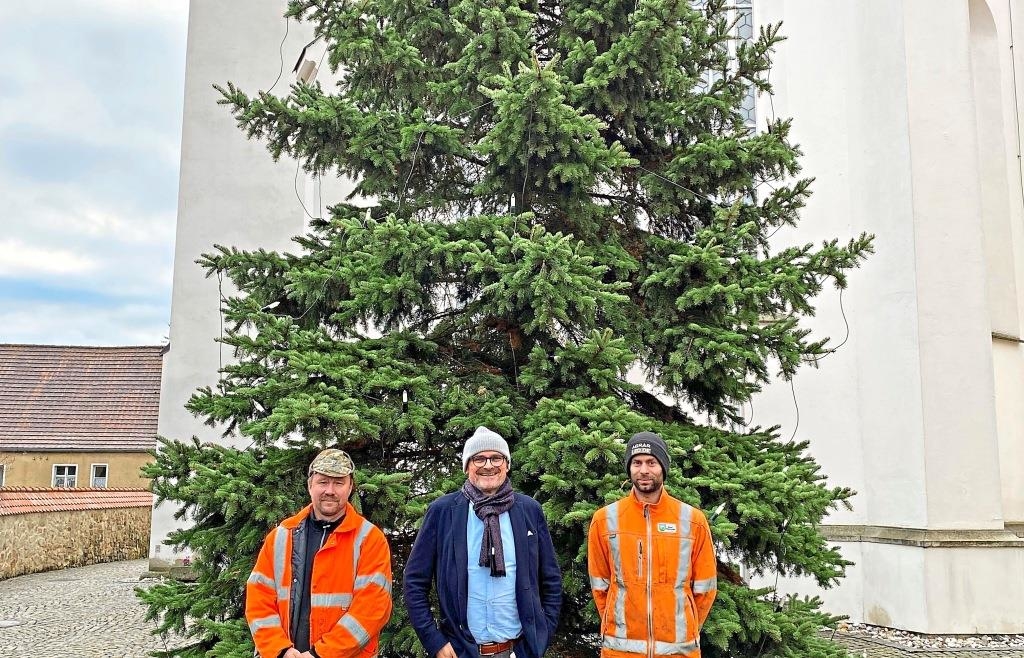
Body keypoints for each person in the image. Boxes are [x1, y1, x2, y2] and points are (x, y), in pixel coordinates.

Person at [404, 426, 562, 658]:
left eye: (496, 458)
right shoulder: (443, 511)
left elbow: (551, 580)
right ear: (467, 466)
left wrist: (541, 636)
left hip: (518, 650)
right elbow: (415, 580)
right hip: (462, 651)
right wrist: (434, 640)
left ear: (507, 464)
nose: (488, 465)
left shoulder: (529, 510)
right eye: (479, 459)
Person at [246, 449, 393, 658]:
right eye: (323, 482)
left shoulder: (370, 539)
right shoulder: (280, 537)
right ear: (310, 485)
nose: (330, 490)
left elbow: (372, 610)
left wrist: (321, 654)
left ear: (350, 487)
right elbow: (258, 600)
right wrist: (280, 650)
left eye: (339, 483)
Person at [588, 432, 717, 658]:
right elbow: (601, 586)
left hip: (678, 652)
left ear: (663, 467)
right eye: (637, 463)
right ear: (629, 468)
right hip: (621, 653)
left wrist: (686, 628)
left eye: (651, 462)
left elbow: (705, 590)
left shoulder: (692, 521)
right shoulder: (605, 520)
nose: (644, 470)